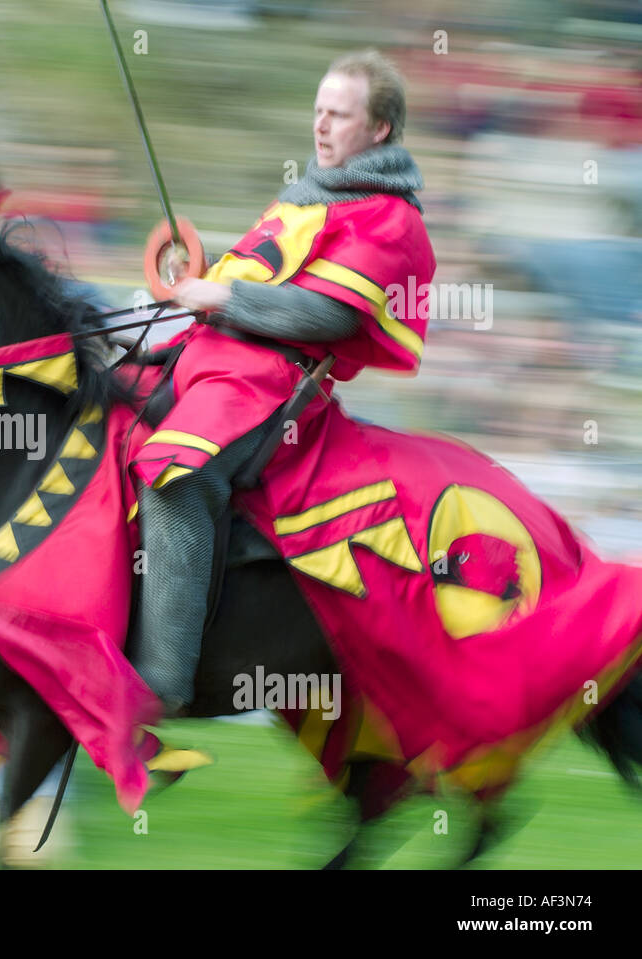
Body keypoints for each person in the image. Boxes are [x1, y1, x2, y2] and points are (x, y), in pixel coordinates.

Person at [130, 49, 437, 715]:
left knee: (176, 476)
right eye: (318, 111)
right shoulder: (308, 193)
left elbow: (326, 313)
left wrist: (219, 294)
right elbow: (259, 277)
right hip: (205, 357)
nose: (321, 126)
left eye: (339, 115)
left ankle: (160, 684)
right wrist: (197, 281)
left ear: (379, 129)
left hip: (266, 384)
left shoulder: (393, 219)